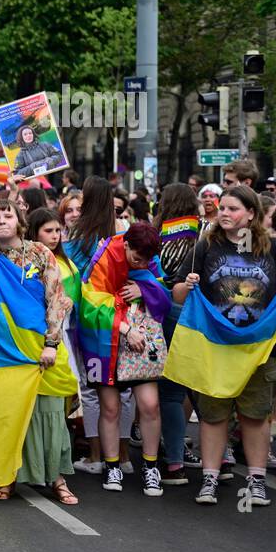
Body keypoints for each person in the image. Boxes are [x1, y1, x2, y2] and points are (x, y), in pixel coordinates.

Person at [174, 186, 276, 507]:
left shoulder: (272, 250)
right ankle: (210, 479)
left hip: (259, 349)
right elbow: (177, 295)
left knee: (255, 416)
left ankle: (256, 480)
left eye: (233, 209)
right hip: (215, 348)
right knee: (213, 416)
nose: (224, 213)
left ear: (251, 214)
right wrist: (186, 286)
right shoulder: (205, 248)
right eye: (222, 208)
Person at [66, 178, 166, 497]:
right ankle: (111, 466)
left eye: (145, 261)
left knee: (149, 405)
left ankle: (151, 467)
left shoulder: (149, 258)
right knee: (109, 407)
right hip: (103, 341)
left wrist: (145, 287)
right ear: (125, 245)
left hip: (141, 343)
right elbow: (92, 300)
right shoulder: (104, 255)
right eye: (136, 259)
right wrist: (125, 328)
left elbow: (162, 294)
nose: (140, 264)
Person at [0, 200, 73, 502]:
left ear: (19, 220)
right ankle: (7, 476)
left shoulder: (40, 253)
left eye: (8, 215)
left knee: (51, 412)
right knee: (10, 415)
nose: (2, 220)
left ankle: (57, 478)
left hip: (40, 345)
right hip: (4, 350)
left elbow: (56, 298)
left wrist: (51, 344)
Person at [153, 183, 202, 487]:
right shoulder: (206, 233)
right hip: (203, 314)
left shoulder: (158, 236)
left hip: (169, 307)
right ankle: (220, 459)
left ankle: (174, 463)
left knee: (170, 391)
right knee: (203, 386)